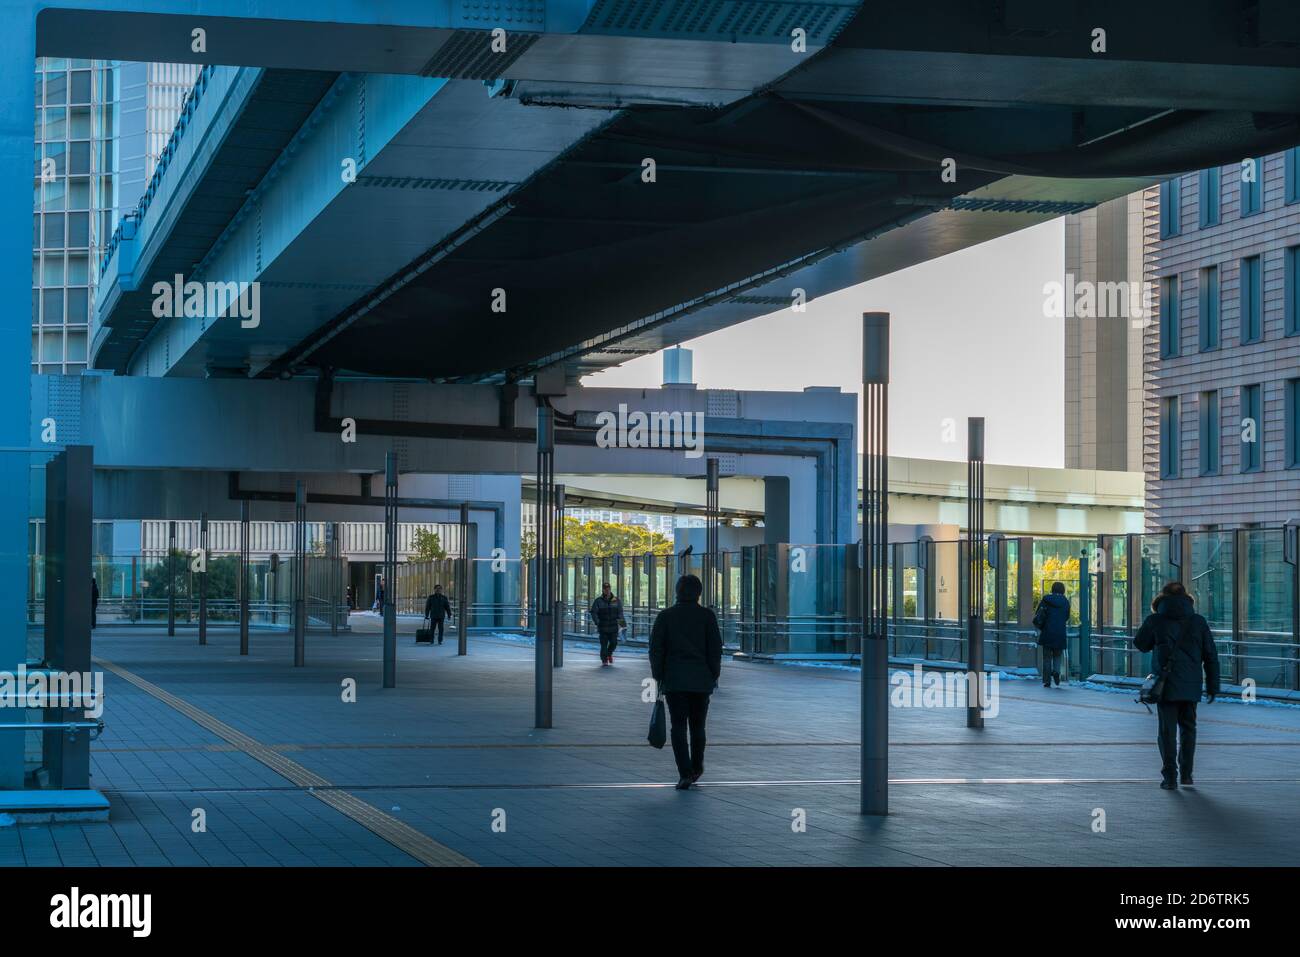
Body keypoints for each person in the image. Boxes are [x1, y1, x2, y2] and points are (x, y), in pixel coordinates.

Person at [1134, 581, 1220, 790]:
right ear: (1187, 599)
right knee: (1189, 728)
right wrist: (1212, 685)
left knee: (1167, 731)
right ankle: (1187, 774)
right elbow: (1211, 655)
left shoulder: (1156, 620)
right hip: (1191, 684)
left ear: (1161, 599)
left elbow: (1140, 644)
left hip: (1166, 684)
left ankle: (1170, 776)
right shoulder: (1198, 622)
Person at [649, 574, 722, 790]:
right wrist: (712, 675)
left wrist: (658, 676)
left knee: (678, 726)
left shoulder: (666, 616)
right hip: (701, 681)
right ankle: (697, 766)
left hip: (675, 681)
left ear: (677, 591)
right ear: (699, 593)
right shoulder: (707, 617)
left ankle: (684, 772)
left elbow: (656, 650)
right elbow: (715, 649)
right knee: (698, 726)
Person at [1032, 582, 1070, 687]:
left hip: (1047, 632)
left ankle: (1047, 680)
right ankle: (1056, 671)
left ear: (1053, 589)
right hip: (1060, 633)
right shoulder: (1065, 601)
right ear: (1063, 590)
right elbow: (1067, 617)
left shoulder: (1046, 599)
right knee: (1057, 655)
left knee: (1047, 657)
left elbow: (1038, 613)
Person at [590, 581, 626, 665]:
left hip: (613, 628)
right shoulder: (598, 601)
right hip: (603, 627)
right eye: (605, 589)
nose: (607, 590)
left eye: (608, 589)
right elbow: (593, 612)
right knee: (603, 645)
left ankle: (609, 654)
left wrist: (623, 626)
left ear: (610, 589)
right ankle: (604, 660)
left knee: (614, 643)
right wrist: (597, 622)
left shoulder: (616, 601)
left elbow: (620, 613)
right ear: (602, 590)